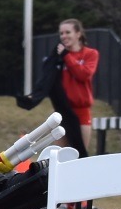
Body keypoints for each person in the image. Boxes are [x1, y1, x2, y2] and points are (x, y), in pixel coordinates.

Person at [17, 18, 98, 155]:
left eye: (68, 32)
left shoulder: (90, 54)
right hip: (62, 110)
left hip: (81, 111)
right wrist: (35, 95)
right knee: (58, 156)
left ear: (78, 34)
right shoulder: (57, 57)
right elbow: (47, 77)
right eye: (61, 33)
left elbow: (83, 74)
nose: (64, 36)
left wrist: (67, 56)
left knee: (79, 154)